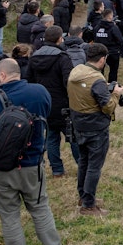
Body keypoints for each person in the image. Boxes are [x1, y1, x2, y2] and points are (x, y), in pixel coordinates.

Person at [0, 59, 68, 245]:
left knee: (10, 217)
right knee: (40, 209)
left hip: (0, 170)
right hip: (32, 165)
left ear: (4, 76)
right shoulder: (40, 92)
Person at [67, 43, 123, 217]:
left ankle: (83, 197)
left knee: (84, 161)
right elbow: (107, 107)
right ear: (102, 59)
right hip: (96, 128)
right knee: (94, 166)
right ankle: (89, 206)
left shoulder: (75, 72)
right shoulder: (96, 80)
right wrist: (116, 93)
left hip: (78, 124)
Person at [27, 25, 80, 178]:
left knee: (51, 136)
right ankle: (81, 164)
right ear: (59, 39)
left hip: (43, 104)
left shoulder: (34, 57)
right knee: (73, 136)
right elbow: (69, 82)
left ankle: (57, 168)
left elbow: (29, 80)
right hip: (62, 104)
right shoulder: (62, 57)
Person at [93, 8, 123, 82]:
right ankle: (112, 86)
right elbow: (120, 40)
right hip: (113, 52)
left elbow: (94, 38)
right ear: (110, 16)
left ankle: (100, 84)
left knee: (99, 70)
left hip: (100, 52)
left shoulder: (97, 27)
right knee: (113, 70)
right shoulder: (113, 28)